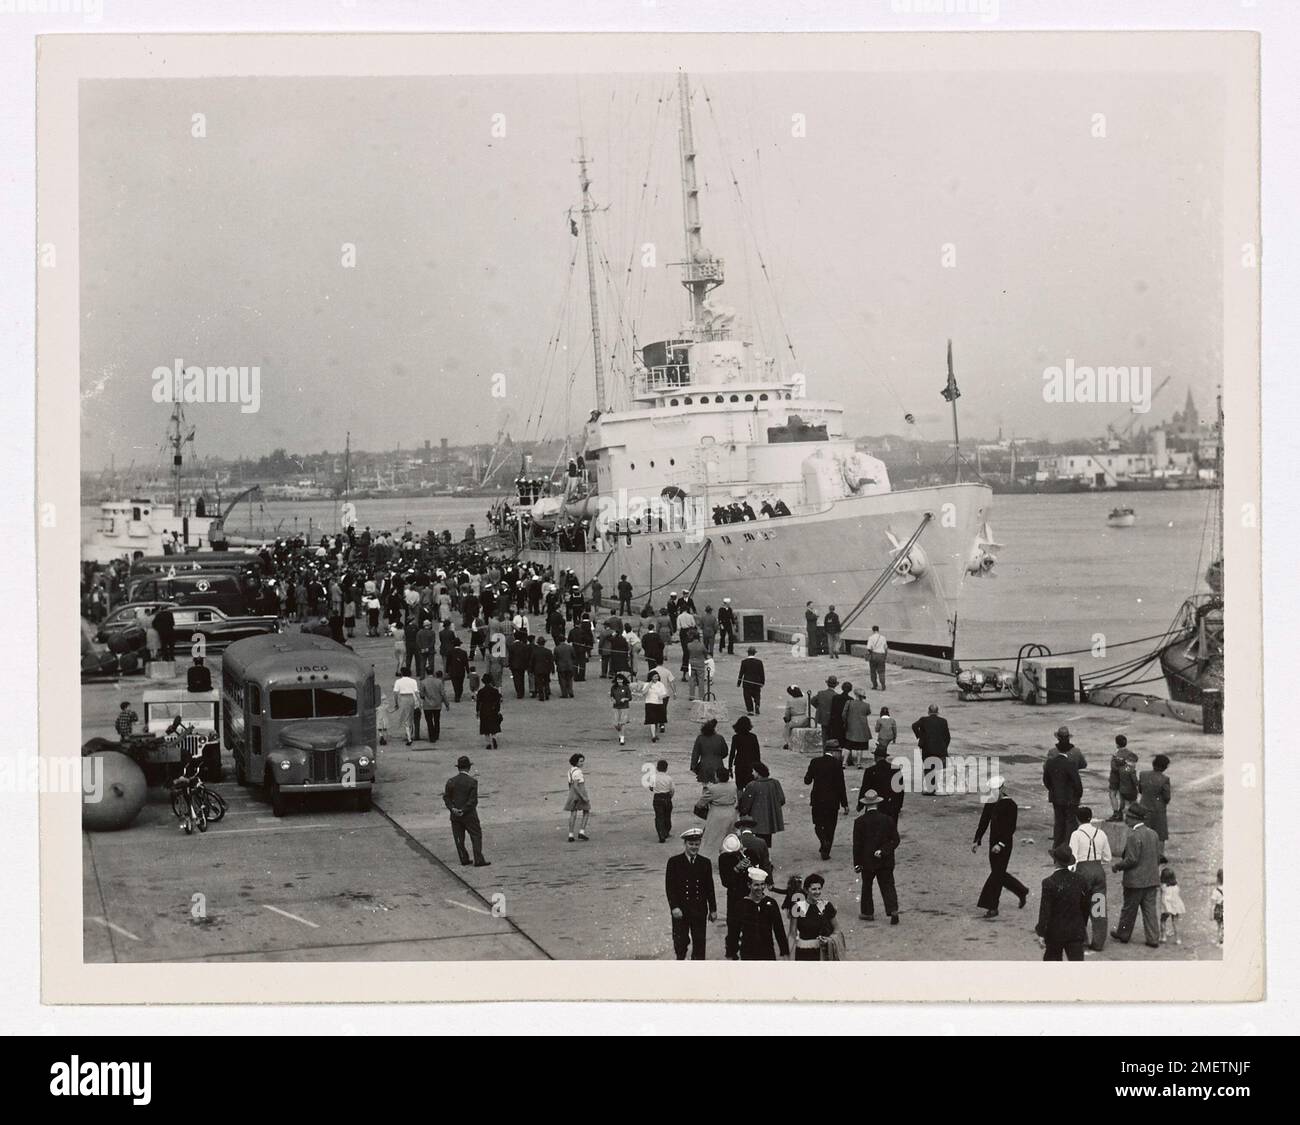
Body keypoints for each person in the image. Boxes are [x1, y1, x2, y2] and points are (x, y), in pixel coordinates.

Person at [971, 776, 1029, 919]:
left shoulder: (1010, 805)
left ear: (1003, 789)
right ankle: (1021, 890)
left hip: (1004, 845)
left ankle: (992, 906)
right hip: (993, 843)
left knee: (996, 875)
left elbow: (1010, 828)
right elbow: (984, 821)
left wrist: (1001, 844)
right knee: (998, 873)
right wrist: (977, 839)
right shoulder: (991, 802)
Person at [1110, 804, 1162, 948]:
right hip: (1151, 879)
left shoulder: (1133, 835)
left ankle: (1124, 934)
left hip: (1135, 881)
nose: (1126, 820)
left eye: (1128, 817)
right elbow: (1158, 856)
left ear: (1134, 819)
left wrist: (1117, 866)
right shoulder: (1153, 833)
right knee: (1150, 910)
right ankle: (1153, 938)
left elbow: (1131, 859)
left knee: (1129, 909)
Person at [665, 827, 716, 960]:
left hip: (699, 910)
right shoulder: (674, 862)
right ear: (685, 844)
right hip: (681, 910)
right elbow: (670, 887)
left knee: (699, 943)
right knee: (680, 943)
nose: (694, 847)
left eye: (697, 844)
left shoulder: (705, 863)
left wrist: (713, 909)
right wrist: (674, 907)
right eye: (691, 844)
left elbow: (709, 887)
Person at [1068, 806, 1113, 951]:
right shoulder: (1101, 833)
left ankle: (1082, 938)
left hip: (1082, 871)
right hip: (1098, 870)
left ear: (1077, 819)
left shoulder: (1076, 834)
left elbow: (1072, 858)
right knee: (1098, 907)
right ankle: (1098, 942)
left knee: (1080, 906)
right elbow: (1108, 857)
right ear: (1091, 818)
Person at [1036, 844, 1090, 961]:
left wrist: (1041, 932)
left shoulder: (1048, 882)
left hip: (1055, 932)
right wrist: (1081, 925)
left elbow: (1045, 910)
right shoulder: (1080, 880)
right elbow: (1086, 906)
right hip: (1075, 931)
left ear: (1055, 861)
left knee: (1052, 967)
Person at [853, 790, 900, 924]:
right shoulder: (888, 819)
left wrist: (857, 863)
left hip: (867, 861)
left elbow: (857, 845)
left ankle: (867, 912)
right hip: (885, 860)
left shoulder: (859, 822)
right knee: (888, 885)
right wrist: (883, 851)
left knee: (867, 886)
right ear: (877, 804)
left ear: (866, 805)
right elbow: (895, 840)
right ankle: (893, 910)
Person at [804, 744, 849, 861]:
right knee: (831, 826)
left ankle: (823, 840)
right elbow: (841, 786)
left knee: (818, 824)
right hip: (832, 801)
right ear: (833, 752)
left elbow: (807, 780)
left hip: (817, 799)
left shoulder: (815, 762)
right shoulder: (837, 764)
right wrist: (845, 804)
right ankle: (826, 850)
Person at [735, 867, 791, 960]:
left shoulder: (771, 903)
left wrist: (785, 952)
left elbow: (779, 929)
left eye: (762, 884)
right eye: (756, 885)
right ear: (749, 885)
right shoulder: (741, 905)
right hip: (748, 952)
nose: (760, 888)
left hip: (767, 951)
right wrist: (731, 953)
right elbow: (734, 932)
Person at [444, 756, 490, 866]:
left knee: (459, 838)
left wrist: (453, 809)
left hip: (455, 816)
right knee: (475, 835)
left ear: (458, 768)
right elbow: (473, 800)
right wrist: (463, 810)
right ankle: (478, 859)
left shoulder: (451, 781)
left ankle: (464, 858)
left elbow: (446, 798)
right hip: (469, 815)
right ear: (469, 768)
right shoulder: (472, 782)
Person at [787, 873, 839, 961]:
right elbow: (792, 934)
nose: (817, 892)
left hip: (823, 951)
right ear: (806, 890)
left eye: (819, 889)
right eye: (814, 889)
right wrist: (790, 956)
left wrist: (829, 940)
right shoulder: (797, 907)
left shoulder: (827, 905)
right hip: (803, 951)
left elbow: (837, 930)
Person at [1043, 736, 1084, 848]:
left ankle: (1057, 845)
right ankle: (1068, 845)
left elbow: (1046, 780)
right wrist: (1077, 796)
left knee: (1059, 821)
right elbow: (1077, 783)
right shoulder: (1070, 763)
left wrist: (1052, 790)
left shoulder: (1050, 763)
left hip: (1056, 796)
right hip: (1069, 798)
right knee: (1070, 821)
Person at [717, 834, 748, 959]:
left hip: (745, 892)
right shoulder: (723, 859)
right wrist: (736, 868)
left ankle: (745, 949)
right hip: (734, 895)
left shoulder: (741, 854)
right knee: (733, 925)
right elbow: (726, 882)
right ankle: (731, 951)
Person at [1139, 754, 1172, 863]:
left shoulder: (1143, 775)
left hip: (1144, 806)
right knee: (1160, 833)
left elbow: (1140, 790)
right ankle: (1159, 855)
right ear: (1164, 767)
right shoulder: (1165, 779)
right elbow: (1167, 797)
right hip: (1158, 809)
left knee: (1144, 832)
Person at [911, 703, 951, 794]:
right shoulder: (943, 721)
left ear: (928, 711)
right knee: (940, 769)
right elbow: (947, 737)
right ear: (937, 712)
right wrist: (945, 746)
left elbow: (914, 726)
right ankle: (940, 789)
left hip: (927, 748)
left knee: (928, 768)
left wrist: (920, 736)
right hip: (941, 749)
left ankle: (930, 789)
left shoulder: (924, 720)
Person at [858, 744, 904, 821]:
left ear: (876, 757)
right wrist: (898, 806)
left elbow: (865, 788)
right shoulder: (896, 770)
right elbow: (900, 790)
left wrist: (860, 805)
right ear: (885, 757)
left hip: (874, 805)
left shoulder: (870, 771)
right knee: (891, 830)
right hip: (891, 806)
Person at [1107, 735, 1140, 821]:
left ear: (1117, 744)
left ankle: (1116, 813)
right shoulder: (1129, 753)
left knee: (1112, 794)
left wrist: (1119, 767)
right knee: (1122, 796)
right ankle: (1121, 812)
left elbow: (1113, 767)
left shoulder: (1115, 754)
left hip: (1115, 778)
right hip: (1125, 779)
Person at [728, 714, 762, 791]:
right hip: (751, 764)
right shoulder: (753, 737)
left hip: (740, 764)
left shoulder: (736, 737)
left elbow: (732, 753)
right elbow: (757, 752)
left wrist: (730, 767)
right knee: (750, 787)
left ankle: (740, 802)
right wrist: (758, 766)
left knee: (739, 786)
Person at [690, 718, 728, 783]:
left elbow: (695, 754)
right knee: (718, 785)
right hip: (718, 764)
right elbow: (725, 752)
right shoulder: (720, 738)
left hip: (704, 765)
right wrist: (718, 757)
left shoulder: (700, 738)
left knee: (705, 785)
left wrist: (693, 766)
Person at [565, 753, 591, 842]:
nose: (582, 763)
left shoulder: (570, 771)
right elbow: (576, 785)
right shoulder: (578, 772)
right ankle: (581, 832)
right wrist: (583, 796)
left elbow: (570, 785)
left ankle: (570, 834)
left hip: (572, 793)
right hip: (579, 792)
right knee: (586, 811)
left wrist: (571, 794)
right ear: (576, 762)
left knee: (573, 813)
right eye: (580, 761)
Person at [843, 688, 872, 766]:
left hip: (851, 727)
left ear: (855, 694)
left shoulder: (849, 702)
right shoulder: (866, 705)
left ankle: (844, 763)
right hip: (862, 728)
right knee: (860, 747)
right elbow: (868, 713)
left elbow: (844, 714)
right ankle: (859, 763)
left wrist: (846, 722)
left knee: (848, 746)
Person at [417, 667, 446, 744]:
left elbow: (421, 694)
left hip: (427, 705)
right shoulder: (439, 682)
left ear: (426, 673)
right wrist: (446, 703)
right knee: (437, 720)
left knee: (429, 721)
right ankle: (436, 735)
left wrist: (425, 697)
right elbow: (443, 693)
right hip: (437, 704)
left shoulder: (423, 682)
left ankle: (431, 736)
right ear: (433, 673)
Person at [393, 668, 420, 746]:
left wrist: (396, 703)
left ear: (402, 673)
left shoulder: (398, 681)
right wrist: (419, 702)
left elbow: (395, 693)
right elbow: (416, 692)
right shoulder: (413, 681)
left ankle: (409, 737)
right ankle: (409, 734)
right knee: (410, 718)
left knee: (405, 718)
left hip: (403, 698)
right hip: (411, 699)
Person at [475, 673, 502, 751]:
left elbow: (478, 702)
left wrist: (477, 711)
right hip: (493, 710)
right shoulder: (495, 691)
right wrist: (497, 710)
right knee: (493, 726)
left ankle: (488, 744)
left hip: (484, 710)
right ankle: (494, 737)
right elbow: (498, 702)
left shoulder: (481, 691)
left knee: (485, 728)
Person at [651, 759, 675, 843]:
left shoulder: (653, 777)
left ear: (657, 768)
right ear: (666, 768)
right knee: (667, 816)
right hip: (667, 797)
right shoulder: (669, 778)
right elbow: (672, 790)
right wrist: (670, 797)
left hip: (657, 798)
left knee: (659, 817)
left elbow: (651, 788)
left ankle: (661, 834)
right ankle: (666, 831)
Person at [1159, 867, 1185, 945]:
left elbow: (1161, 894)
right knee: (1175, 922)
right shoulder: (1176, 886)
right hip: (1176, 906)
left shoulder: (1163, 886)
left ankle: (1163, 937)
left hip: (1167, 906)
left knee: (1163, 920)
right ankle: (1178, 939)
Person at [736, 647, 765, 715]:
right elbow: (762, 673)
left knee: (747, 696)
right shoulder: (759, 662)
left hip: (747, 682)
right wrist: (762, 682)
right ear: (755, 653)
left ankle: (750, 710)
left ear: (748, 653)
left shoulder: (744, 662)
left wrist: (739, 682)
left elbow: (741, 673)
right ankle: (757, 705)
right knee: (757, 695)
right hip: (756, 682)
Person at [782, 685, 811, 750]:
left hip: (795, 720)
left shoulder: (790, 701)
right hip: (805, 719)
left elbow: (787, 713)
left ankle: (788, 743)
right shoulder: (804, 699)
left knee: (787, 728)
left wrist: (787, 719)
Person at [643, 670, 669, 742]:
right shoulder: (647, 684)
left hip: (659, 703)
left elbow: (665, 693)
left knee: (657, 720)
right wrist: (649, 685)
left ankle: (654, 733)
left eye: (657, 676)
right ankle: (653, 736)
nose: (656, 678)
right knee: (652, 720)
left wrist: (662, 696)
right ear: (651, 677)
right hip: (650, 703)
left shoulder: (660, 684)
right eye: (654, 676)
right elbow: (644, 693)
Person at [812, 676, 839, 747]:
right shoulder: (836, 695)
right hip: (832, 718)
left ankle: (824, 750)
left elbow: (812, 701)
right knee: (831, 736)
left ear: (827, 684)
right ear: (835, 685)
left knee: (824, 735)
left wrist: (819, 707)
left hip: (823, 717)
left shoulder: (821, 693)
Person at [610, 672, 632, 746]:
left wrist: (625, 699)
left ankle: (622, 738)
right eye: (618, 679)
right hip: (616, 707)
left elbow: (630, 697)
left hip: (624, 707)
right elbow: (611, 695)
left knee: (622, 723)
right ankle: (620, 733)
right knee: (616, 723)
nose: (619, 681)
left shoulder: (626, 687)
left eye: (621, 679)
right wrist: (613, 699)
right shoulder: (613, 687)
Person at [532, 636, 554, 702]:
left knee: (539, 683)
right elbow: (551, 661)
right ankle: (547, 694)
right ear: (544, 643)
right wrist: (552, 669)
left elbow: (532, 661)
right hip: (546, 669)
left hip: (538, 669)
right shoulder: (548, 651)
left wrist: (531, 669)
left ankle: (541, 696)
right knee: (546, 682)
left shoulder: (535, 652)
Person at [865, 625, 888, 689]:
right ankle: (883, 685)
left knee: (873, 671)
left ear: (873, 630)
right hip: (881, 656)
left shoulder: (871, 637)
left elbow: (869, 648)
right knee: (881, 671)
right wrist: (885, 656)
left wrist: (870, 653)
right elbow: (886, 648)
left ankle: (875, 685)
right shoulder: (883, 637)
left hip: (874, 656)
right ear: (878, 630)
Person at [1211, 868, 1224, 945]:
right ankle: (1223, 939)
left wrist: (1211, 914)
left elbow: (1213, 904)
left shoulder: (1215, 891)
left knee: (1219, 926)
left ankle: (1219, 941)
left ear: (1218, 879)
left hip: (1218, 909)